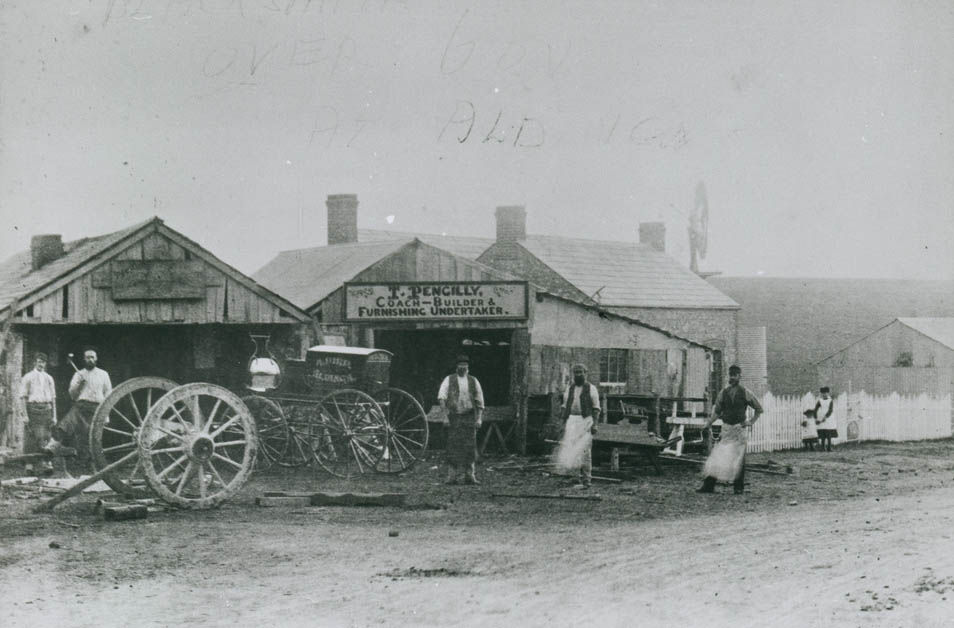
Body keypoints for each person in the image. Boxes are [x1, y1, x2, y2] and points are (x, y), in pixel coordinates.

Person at [697, 365, 763, 495]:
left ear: (739, 376)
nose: (732, 377)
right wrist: (708, 424)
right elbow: (717, 412)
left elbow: (759, 409)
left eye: (735, 375)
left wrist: (751, 422)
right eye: (730, 375)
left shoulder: (745, 392)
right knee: (718, 456)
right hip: (727, 429)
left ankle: (738, 487)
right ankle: (709, 485)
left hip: (739, 429)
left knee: (738, 459)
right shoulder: (723, 392)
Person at [50, 348, 112, 472]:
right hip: (81, 406)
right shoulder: (79, 374)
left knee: (93, 437)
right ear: (84, 359)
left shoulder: (103, 374)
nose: (90, 359)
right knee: (70, 425)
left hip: (97, 408)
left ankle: (93, 465)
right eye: (87, 357)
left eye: (92, 357)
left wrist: (107, 414)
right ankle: (55, 443)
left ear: (96, 359)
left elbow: (108, 394)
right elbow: (72, 395)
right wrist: (80, 385)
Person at [437, 354, 484, 485]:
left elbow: (479, 401)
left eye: (465, 366)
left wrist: (479, 418)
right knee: (453, 446)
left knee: (470, 447)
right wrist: (445, 416)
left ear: (468, 367)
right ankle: (452, 477)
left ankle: (470, 476)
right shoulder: (449, 379)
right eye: (460, 366)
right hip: (454, 417)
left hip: (469, 417)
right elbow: (441, 398)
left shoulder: (473, 381)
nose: (462, 368)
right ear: (456, 367)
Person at [552, 364, 601, 489]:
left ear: (586, 373)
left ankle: (586, 480)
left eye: (581, 372)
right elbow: (564, 406)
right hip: (572, 420)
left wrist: (595, 424)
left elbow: (596, 409)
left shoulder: (591, 388)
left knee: (585, 451)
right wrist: (562, 423)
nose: (578, 375)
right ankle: (575, 478)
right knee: (571, 449)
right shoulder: (570, 388)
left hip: (586, 420)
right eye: (576, 372)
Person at [19, 352, 57, 474]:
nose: (41, 364)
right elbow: (23, 397)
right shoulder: (28, 377)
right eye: (39, 361)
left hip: (46, 409)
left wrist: (54, 415)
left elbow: (53, 399)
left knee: (47, 436)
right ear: (35, 362)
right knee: (31, 437)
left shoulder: (49, 378)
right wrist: (24, 415)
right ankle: (29, 466)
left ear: (46, 364)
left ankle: (47, 463)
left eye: (43, 362)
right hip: (33, 409)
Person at [814, 386, 837, 452]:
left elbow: (830, 410)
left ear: (828, 393)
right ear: (821, 394)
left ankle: (829, 447)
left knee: (828, 433)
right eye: (823, 393)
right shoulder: (820, 401)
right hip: (821, 417)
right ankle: (822, 447)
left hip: (829, 418)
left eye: (826, 393)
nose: (824, 394)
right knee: (823, 433)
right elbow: (815, 409)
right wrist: (816, 418)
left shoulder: (830, 400)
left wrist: (826, 417)